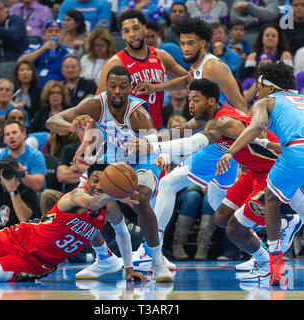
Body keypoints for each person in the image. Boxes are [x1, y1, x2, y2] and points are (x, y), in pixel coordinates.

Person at [129, 77, 302, 280]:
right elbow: (181, 130)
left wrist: (152, 147)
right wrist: (146, 139)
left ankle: (267, 259)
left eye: (196, 100)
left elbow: (192, 144)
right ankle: (279, 229)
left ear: (211, 101)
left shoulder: (223, 122)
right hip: (253, 172)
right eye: (189, 99)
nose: (190, 105)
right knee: (220, 216)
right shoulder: (212, 115)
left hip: (274, 171)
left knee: (234, 229)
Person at [125, 16, 247, 269]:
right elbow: (186, 81)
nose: (186, 49)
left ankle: (151, 250)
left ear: (204, 42)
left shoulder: (214, 67)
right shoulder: (198, 67)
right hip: (211, 137)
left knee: (168, 183)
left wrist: (239, 145)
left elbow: (242, 106)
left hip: (221, 140)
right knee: (219, 206)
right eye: (182, 43)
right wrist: (157, 88)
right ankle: (262, 253)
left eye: (191, 43)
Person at [46, 65, 175, 282]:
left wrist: (157, 151)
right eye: (112, 86)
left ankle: (157, 260)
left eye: (122, 87)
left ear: (130, 88)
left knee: (139, 199)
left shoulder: (138, 113)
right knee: (82, 202)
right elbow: (52, 121)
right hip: (114, 160)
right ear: (106, 87)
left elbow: (154, 138)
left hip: (143, 160)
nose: (117, 91)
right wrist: (71, 125)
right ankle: (105, 257)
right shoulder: (95, 103)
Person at [0, 163, 147, 283]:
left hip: (34, 264)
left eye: (105, 182)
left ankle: (106, 258)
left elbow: (122, 233)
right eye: (95, 179)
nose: (98, 186)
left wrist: (129, 269)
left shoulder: (110, 210)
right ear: (88, 180)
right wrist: (118, 192)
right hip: (16, 238)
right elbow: (90, 203)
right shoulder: (76, 196)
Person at [216, 61, 304, 286]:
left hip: (295, 154)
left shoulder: (266, 102)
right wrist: (266, 143)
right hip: (294, 151)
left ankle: (274, 264)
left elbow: (254, 126)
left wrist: (231, 152)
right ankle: (289, 225)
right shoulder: (300, 100)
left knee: (271, 198)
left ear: (270, 87)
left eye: (258, 85)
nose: (256, 91)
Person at [96, 9, 189, 130]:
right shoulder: (115, 62)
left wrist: (157, 87)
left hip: (156, 128)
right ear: (123, 35)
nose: (132, 34)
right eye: (126, 31)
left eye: (136, 28)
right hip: (127, 131)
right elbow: (98, 102)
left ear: (144, 29)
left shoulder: (161, 56)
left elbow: (189, 80)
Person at [0, 119, 47, 193]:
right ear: (4, 139)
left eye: (14, 132)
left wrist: (20, 172)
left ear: (24, 135)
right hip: (7, 194)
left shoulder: (36, 155)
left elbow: (38, 186)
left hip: (31, 195)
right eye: (7, 134)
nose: (11, 136)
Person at [18, 20, 77, 87]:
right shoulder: (35, 46)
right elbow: (20, 62)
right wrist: (42, 49)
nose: (53, 34)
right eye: (50, 31)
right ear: (45, 34)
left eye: (57, 31)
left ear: (62, 35)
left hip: (59, 87)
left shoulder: (69, 51)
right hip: (35, 87)